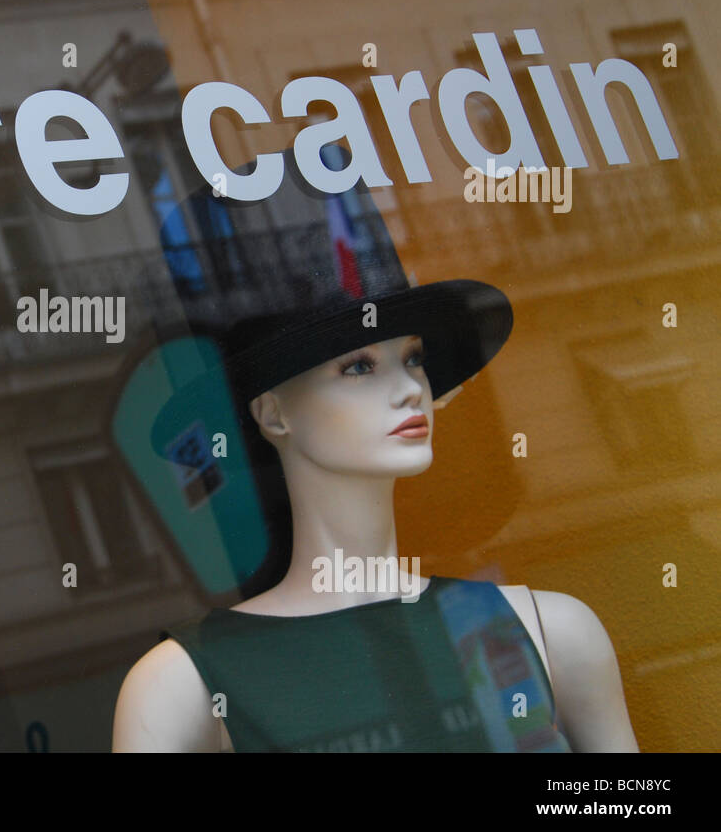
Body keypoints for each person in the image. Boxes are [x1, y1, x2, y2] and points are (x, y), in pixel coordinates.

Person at [111, 186, 638, 753]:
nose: (410, 388)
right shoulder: (184, 685)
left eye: (412, 358)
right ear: (273, 413)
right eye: (359, 367)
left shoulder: (551, 633)